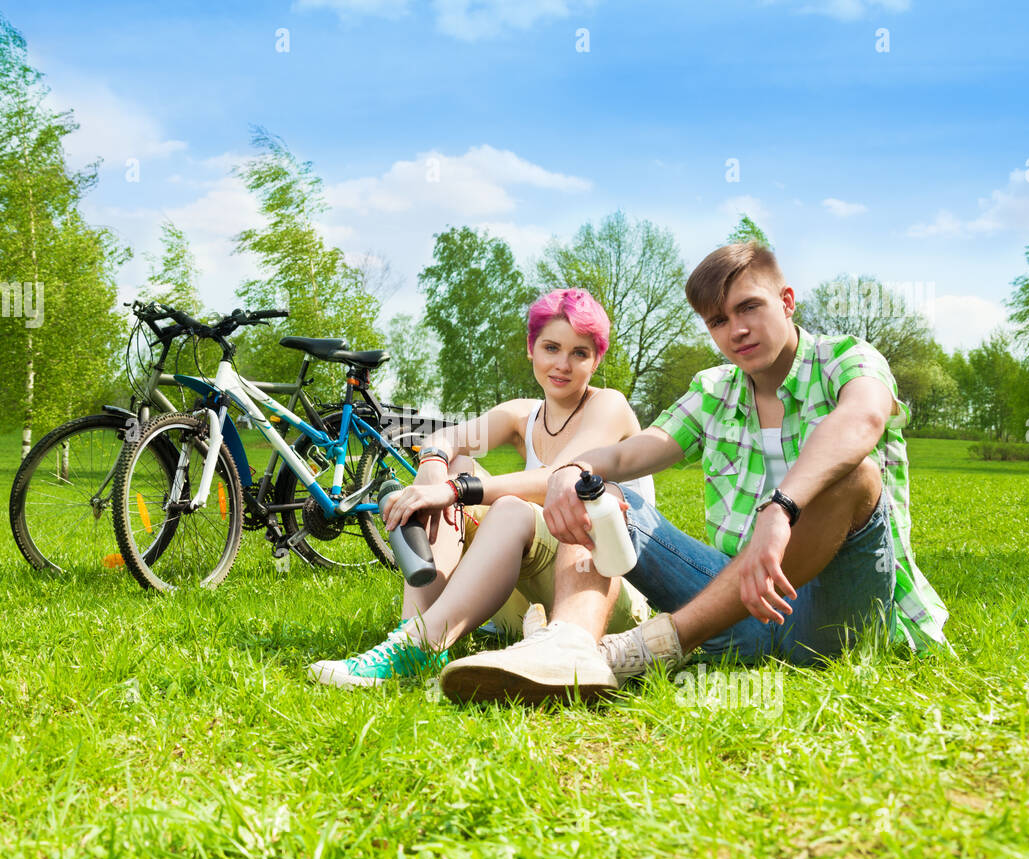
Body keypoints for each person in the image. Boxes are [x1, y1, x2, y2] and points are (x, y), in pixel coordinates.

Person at [439, 242, 951, 704]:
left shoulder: (845, 358)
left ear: (787, 300)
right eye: (718, 321)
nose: (737, 330)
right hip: (735, 608)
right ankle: (569, 646)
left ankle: (641, 649)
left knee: (855, 475)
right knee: (597, 489)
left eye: (749, 307)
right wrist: (571, 469)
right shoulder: (714, 388)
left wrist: (783, 507)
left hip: (835, 616)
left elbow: (859, 421)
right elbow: (635, 452)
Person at [309, 288, 656, 687]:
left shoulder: (608, 406)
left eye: (579, 353)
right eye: (551, 347)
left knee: (508, 507)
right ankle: (412, 632)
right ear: (531, 348)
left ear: (597, 360)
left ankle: (416, 645)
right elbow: (447, 438)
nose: (562, 364)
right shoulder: (521, 415)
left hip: (600, 599)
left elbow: (561, 477)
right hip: (526, 605)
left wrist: (455, 490)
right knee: (457, 462)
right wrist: (433, 467)